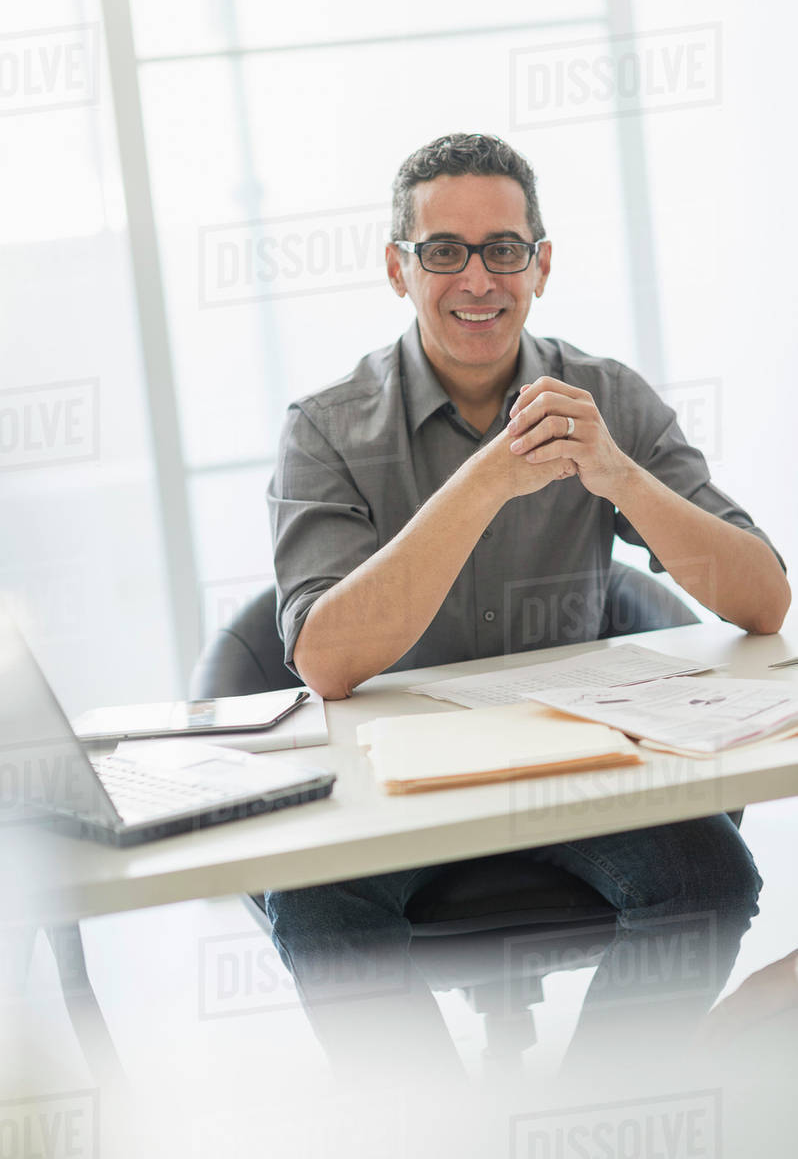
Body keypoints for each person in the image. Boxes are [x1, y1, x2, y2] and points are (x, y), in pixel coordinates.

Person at [266, 133, 790, 1087]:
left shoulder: (607, 398)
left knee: (711, 883)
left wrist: (619, 475)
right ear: (399, 268)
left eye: (504, 249)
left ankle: (588, 1122)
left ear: (541, 264)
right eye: (444, 252)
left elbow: (764, 601)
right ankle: (439, 1137)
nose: (479, 279)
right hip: (393, 781)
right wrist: (485, 480)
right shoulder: (324, 427)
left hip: (572, 759)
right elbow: (326, 663)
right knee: (309, 902)